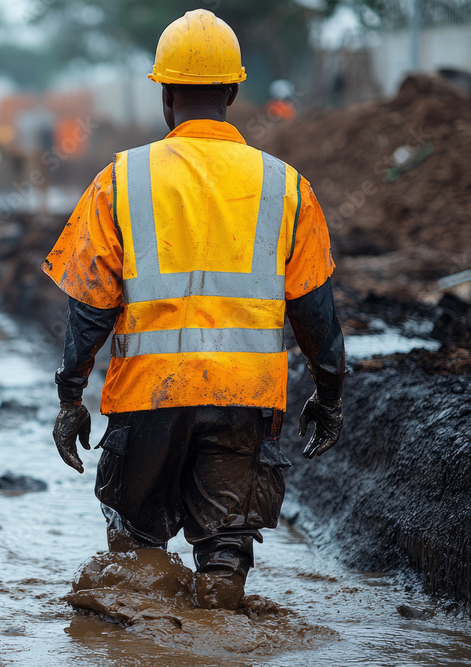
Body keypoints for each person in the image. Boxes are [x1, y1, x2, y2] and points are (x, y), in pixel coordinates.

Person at [43, 9, 346, 610]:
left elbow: (91, 309)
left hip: (148, 400)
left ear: (165, 95)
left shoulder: (120, 180)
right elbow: (316, 310)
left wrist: (71, 397)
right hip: (245, 401)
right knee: (225, 561)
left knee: (133, 557)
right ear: (233, 92)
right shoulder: (286, 185)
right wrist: (330, 394)